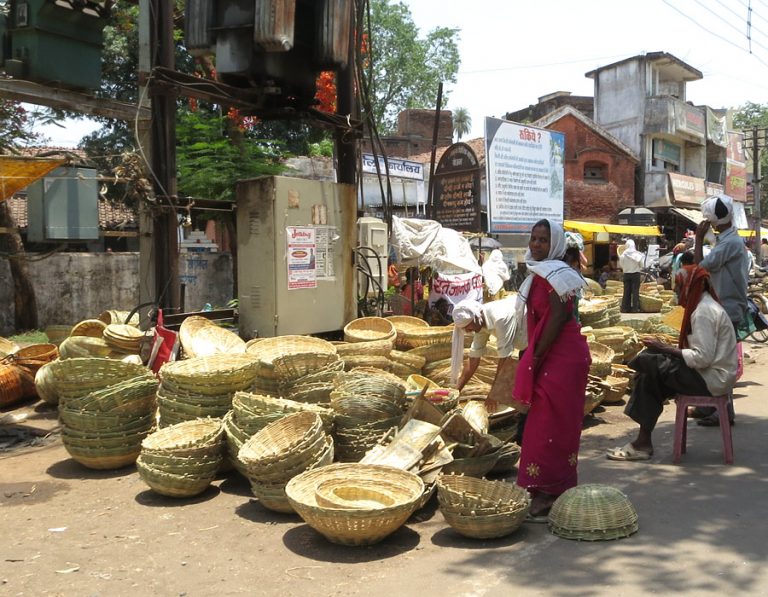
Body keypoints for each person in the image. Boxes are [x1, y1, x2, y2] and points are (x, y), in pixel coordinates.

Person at [606, 264, 737, 461]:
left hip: (712, 379)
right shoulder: (704, 305)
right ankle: (643, 442)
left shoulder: (703, 311)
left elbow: (702, 358)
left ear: (693, 286)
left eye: (679, 287)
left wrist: (664, 349)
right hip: (711, 375)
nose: (676, 292)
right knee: (651, 374)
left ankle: (643, 442)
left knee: (652, 365)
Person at [694, 194, 748, 426]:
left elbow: (699, 267)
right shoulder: (729, 240)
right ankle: (710, 407)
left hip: (726, 308)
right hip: (725, 307)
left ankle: (724, 412)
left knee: (720, 363)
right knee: (715, 360)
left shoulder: (729, 244)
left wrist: (697, 240)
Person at [618, 239, 644, 313]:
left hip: (626, 275)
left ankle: (625, 308)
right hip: (636, 274)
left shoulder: (623, 255)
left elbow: (621, 265)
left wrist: (626, 268)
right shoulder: (637, 255)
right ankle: (635, 308)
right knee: (635, 292)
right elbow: (641, 265)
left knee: (626, 292)